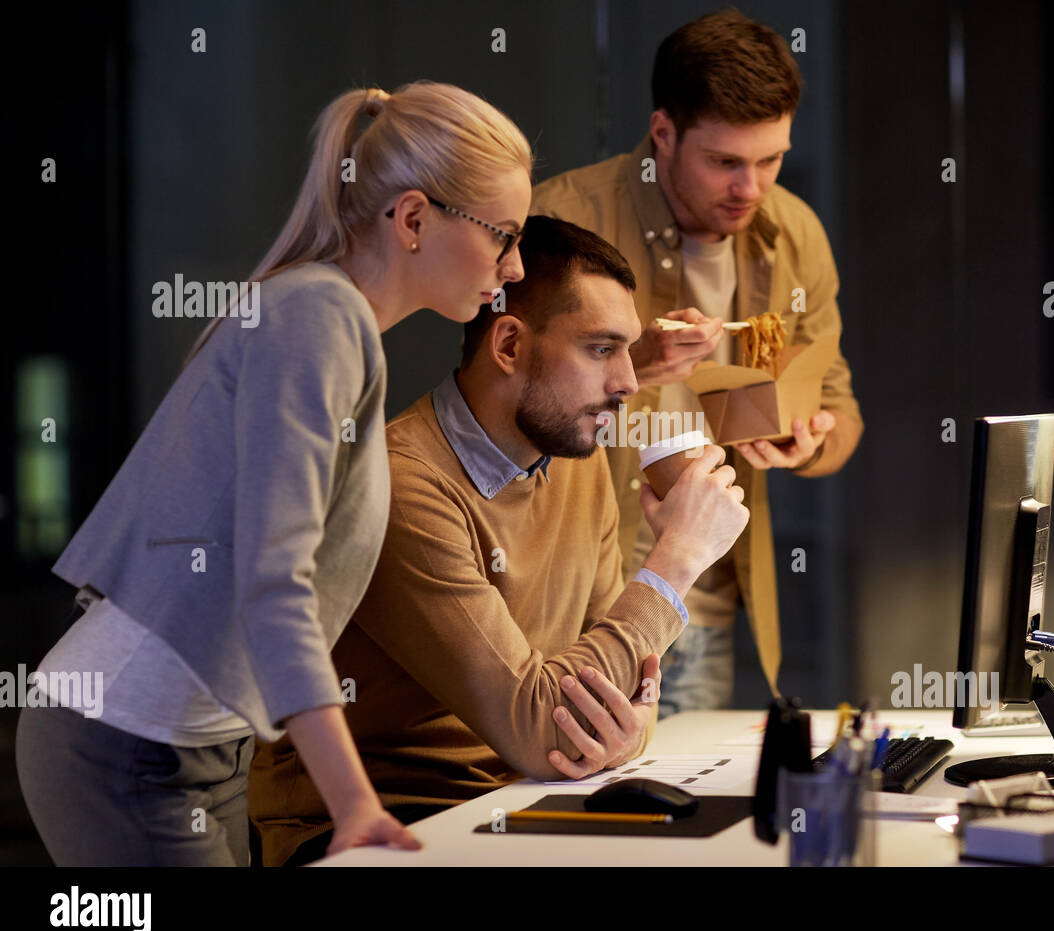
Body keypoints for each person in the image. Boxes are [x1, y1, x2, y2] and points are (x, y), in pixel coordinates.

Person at [15, 81, 533, 865]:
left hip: (200, 746)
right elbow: (272, 579)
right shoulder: (318, 318)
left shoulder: (327, 316)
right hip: (128, 743)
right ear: (415, 219)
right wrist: (352, 802)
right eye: (505, 235)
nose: (516, 266)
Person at [249, 215, 749, 866]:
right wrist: (677, 559)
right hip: (386, 827)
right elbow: (541, 723)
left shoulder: (578, 459)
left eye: (628, 350)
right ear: (509, 346)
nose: (628, 380)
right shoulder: (402, 485)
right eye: (601, 349)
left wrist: (626, 733)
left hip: (527, 795)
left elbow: (617, 673)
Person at [531, 10, 863, 713]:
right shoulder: (563, 221)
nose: (752, 187)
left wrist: (809, 440)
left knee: (678, 805)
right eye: (725, 163)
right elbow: (505, 408)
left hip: (704, 602)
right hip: (582, 599)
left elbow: (840, 405)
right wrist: (632, 361)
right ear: (663, 134)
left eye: (770, 159)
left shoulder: (793, 234)